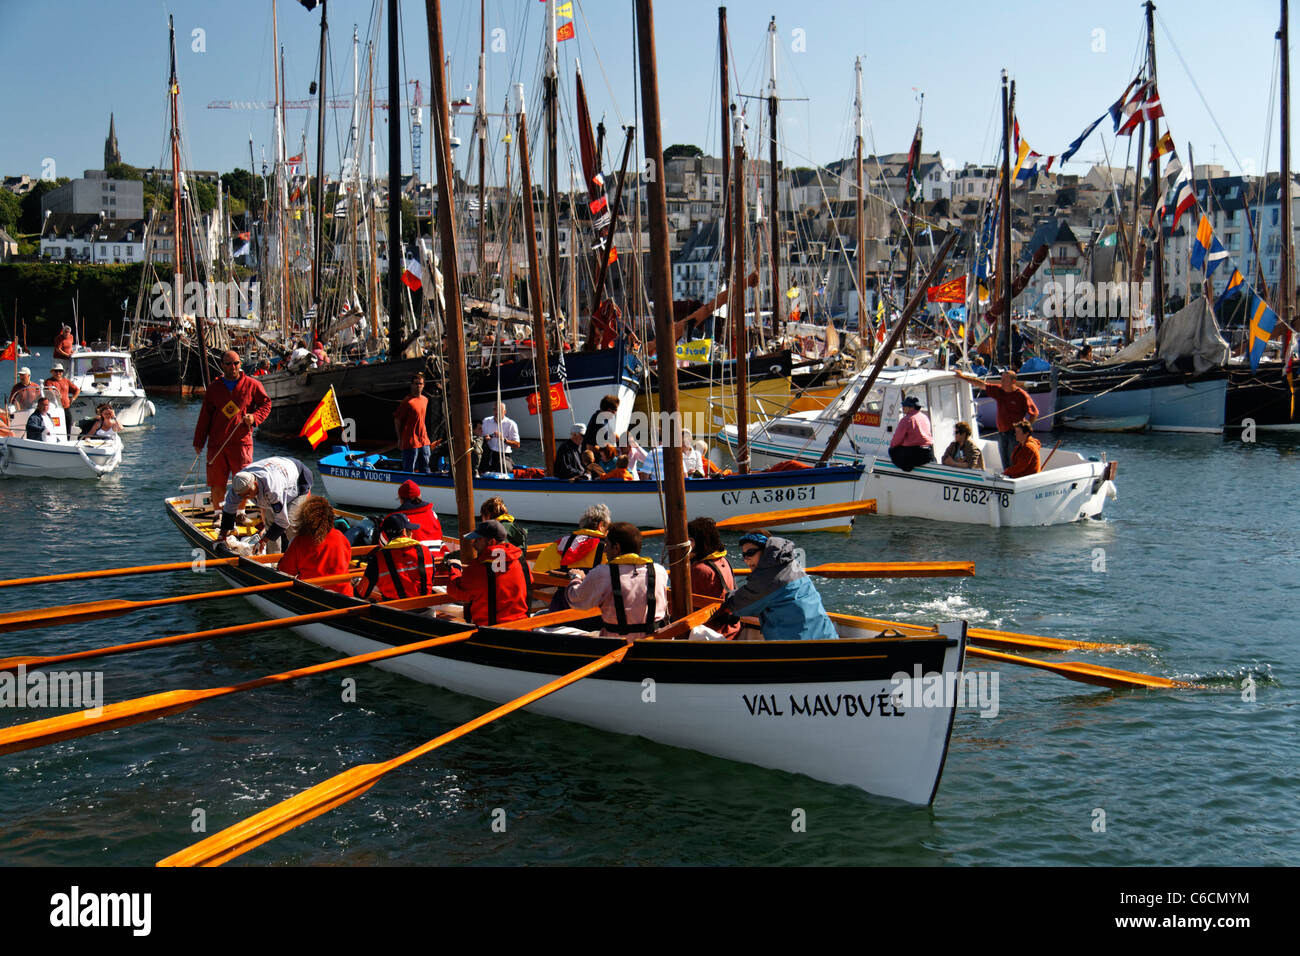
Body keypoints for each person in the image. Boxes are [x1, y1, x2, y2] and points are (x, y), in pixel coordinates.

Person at [716, 531, 837, 641]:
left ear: (766, 552)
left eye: (750, 553)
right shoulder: (790, 565)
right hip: (827, 637)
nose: (746, 559)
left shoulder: (767, 579)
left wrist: (724, 599)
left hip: (800, 648)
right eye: (744, 555)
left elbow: (737, 605)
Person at [194, 349, 272, 511]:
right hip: (217, 445)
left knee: (244, 481)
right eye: (229, 364)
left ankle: (240, 512)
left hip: (241, 443)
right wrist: (199, 442)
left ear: (240, 363)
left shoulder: (252, 385)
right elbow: (204, 417)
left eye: (236, 363)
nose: (233, 367)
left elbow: (266, 404)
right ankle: (218, 514)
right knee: (217, 483)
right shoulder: (214, 388)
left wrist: (255, 418)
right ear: (222, 365)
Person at [565, 522, 670, 640]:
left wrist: (576, 578)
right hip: (653, 643)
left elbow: (576, 600)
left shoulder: (602, 573)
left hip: (617, 645)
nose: (604, 550)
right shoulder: (660, 571)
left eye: (607, 544)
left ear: (617, 547)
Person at [218, 456, 314, 553]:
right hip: (278, 471)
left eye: (248, 493)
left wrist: (263, 541)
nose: (246, 497)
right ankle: (273, 561)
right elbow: (228, 512)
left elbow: (282, 522)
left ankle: (299, 556)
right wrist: (222, 537)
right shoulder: (238, 487)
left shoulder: (273, 489)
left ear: (255, 484)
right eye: (243, 496)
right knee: (270, 524)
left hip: (299, 478)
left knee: (291, 523)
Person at [443, 520, 531, 625]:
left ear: (491, 542)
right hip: (523, 625)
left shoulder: (479, 568)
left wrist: (455, 567)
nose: (474, 543)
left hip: (491, 632)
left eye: (478, 539)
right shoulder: (521, 562)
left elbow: (455, 590)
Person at [955, 369, 1038, 471]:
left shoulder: (1022, 395)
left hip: (1015, 434)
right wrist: (962, 377)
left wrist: (1025, 430)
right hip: (1002, 432)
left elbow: (1034, 413)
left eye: (1005, 380)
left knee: (1013, 459)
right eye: (1001, 379)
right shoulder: (999, 391)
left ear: (1013, 382)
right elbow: (981, 384)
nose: (1002, 382)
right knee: (1005, 460)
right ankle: (1007, 477)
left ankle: (1013, 478)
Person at [277, 496, 355, 596]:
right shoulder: (341, 537)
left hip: (313, 595)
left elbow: (285, 570)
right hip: (346, 594)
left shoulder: (300, 541)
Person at [357, 513, 436, 602]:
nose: (412, 533)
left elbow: (362, 594)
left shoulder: (378, 558)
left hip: (394, 612)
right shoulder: (426, 551)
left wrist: (355, 585)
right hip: (427, 609)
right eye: (410, 529)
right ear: (404, 531)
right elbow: (429, 580)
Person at [688, 517, 740, 639]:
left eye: (689, 540)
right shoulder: (723, 560)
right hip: (732, 628)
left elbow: (687, 607)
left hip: (712, 633)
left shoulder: (699, 569)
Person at [385, 479, 444, 552]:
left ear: (401, 499)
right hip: (439, 555)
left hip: (415, 559)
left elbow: (384, 543)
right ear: (419, 496)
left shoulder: (395, 518)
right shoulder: (432, 513)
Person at [394, 373, 433, 473]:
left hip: (424, 440)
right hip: (410, 441)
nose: (418, 386)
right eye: (416, 384)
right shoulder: (407, 402)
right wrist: (399, 439)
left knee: (426, 468)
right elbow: (397, 419)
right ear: (411, 385)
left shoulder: (425, 400)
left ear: (423, 385)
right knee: (409, 469)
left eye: (420, 384)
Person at [888, 395, 935, 472]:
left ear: (911, 407)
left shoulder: (907, 419)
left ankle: (906, 467)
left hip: (914, 453)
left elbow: (896, 440)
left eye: (905, 405)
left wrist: (892, 447)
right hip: (928, 453)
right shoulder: (924, 417)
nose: (903, 407)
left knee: (892, 451)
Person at [482, 402, 520, 473]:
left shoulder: (511, 424)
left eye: (499, 410)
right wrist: (485, 438)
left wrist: (504, 439)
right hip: (488, 453)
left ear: (504, 412)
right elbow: (480, 437)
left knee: (503, 467)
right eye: (494, 409)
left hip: (503, 454)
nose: (496, 412)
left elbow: (517, 445)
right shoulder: (486, 421)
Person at [44, 364, 80, 436]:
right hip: (55, 409)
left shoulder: (66, 381)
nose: (58, 373)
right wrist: (55, 395)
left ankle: (68, 441)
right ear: (52, 372)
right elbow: (49, 392)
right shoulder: (49, 382)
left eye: (60, 371)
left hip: (66, 408)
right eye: (56, 371)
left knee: (68, 425)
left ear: (62, 372)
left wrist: (73, 398)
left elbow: (77, 390)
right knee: (56, 427)